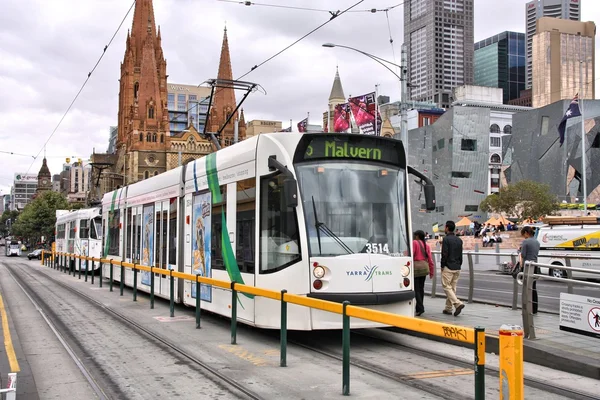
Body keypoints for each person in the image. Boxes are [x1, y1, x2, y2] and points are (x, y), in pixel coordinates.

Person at [441, 221, 465, 316]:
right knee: (452, 287)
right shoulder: (459, 240)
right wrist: (459, 264)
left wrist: (442, 265)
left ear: (447, 228)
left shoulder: (446, 239)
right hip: (457, 266)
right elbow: (460, 254)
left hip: (448, 266)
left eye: (445, 227)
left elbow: (445, 254)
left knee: (446, 286)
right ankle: (448, 308)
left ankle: (457, 303)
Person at [412, 230, 434, 316]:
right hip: (424, 268)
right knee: (421, 289)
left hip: (416, 268)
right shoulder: (426, 245)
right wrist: (431, 271)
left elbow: (411, 254)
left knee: (416, 289)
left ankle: (420, 308)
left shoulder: (414, 243)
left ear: (417, 236)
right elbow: (430, 259)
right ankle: (418, 308)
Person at [520, 226, 540, 314]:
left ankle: (527, 308)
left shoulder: (525, 242)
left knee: (526, 287)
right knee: (533, 288)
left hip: (527, 266)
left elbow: (523, 254)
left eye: (523, 235)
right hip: (535, 265)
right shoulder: (537, 242)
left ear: (526, 233)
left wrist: (519, 250)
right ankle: (534, 308)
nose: (523, 237)